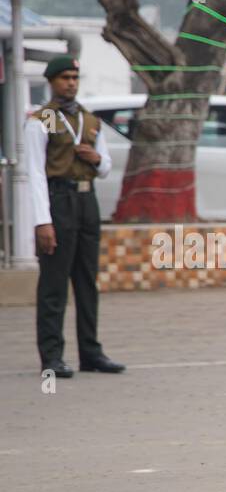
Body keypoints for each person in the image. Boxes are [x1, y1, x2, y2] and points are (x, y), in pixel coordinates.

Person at [26, 55, 123, 377]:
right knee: (54, 284)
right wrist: (42, 221)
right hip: (58, 200)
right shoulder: (44, 119)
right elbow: (35, 173)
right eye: (64, 77)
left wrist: (96, 158)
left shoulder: (89, 119)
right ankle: (51, 356)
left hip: (87, 201)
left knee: (87, 281)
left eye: (74, 77)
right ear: (52, 81)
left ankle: (91, 352)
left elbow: (107, 166)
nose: (70, 83)